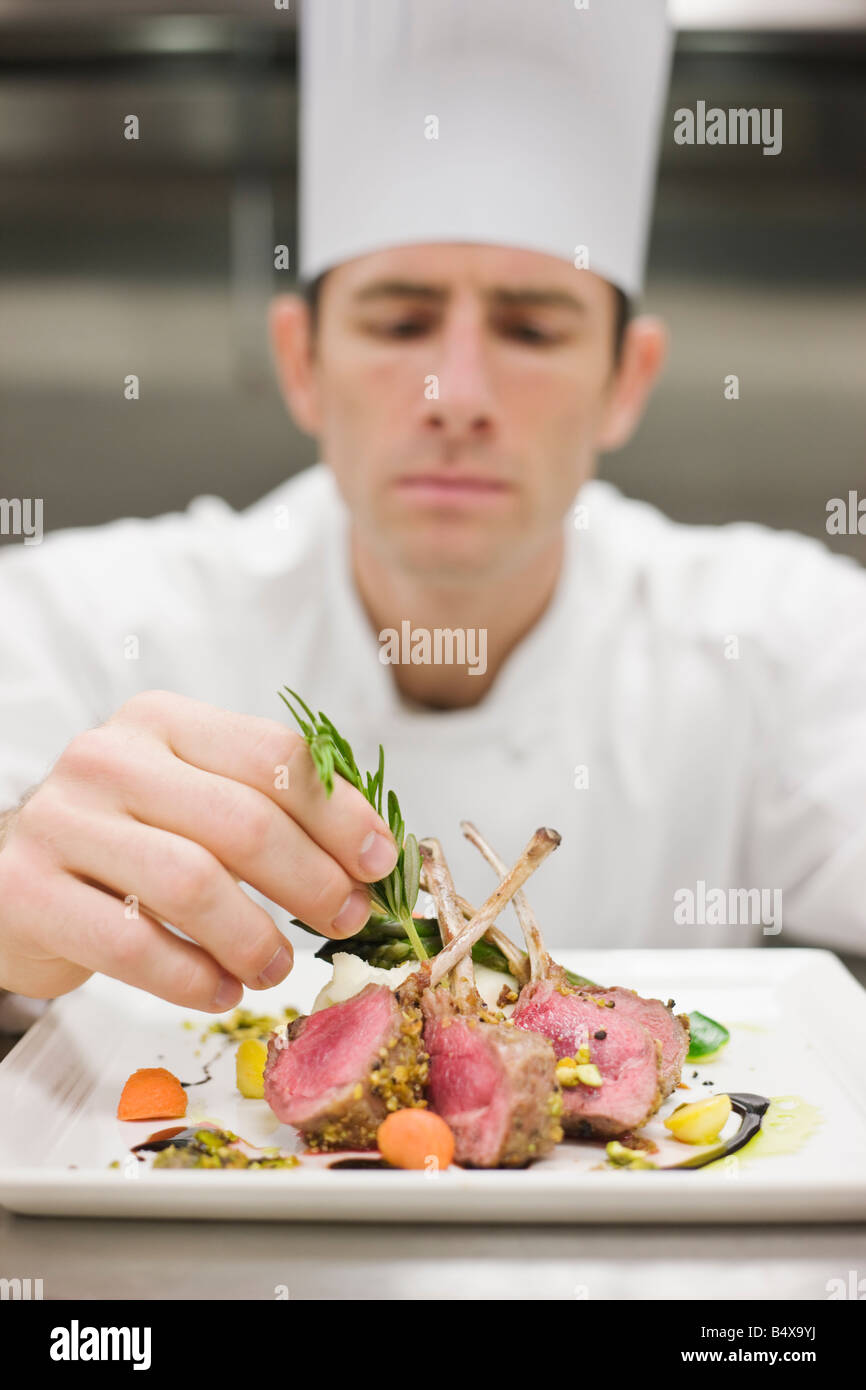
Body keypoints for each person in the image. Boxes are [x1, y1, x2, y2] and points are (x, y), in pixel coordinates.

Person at [0, 0, 864, 1031]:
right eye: (400, 320)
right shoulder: (78, 620)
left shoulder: (778, 633)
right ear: (300, 362)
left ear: (624, 381)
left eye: (532, 328)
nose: (453, 390)